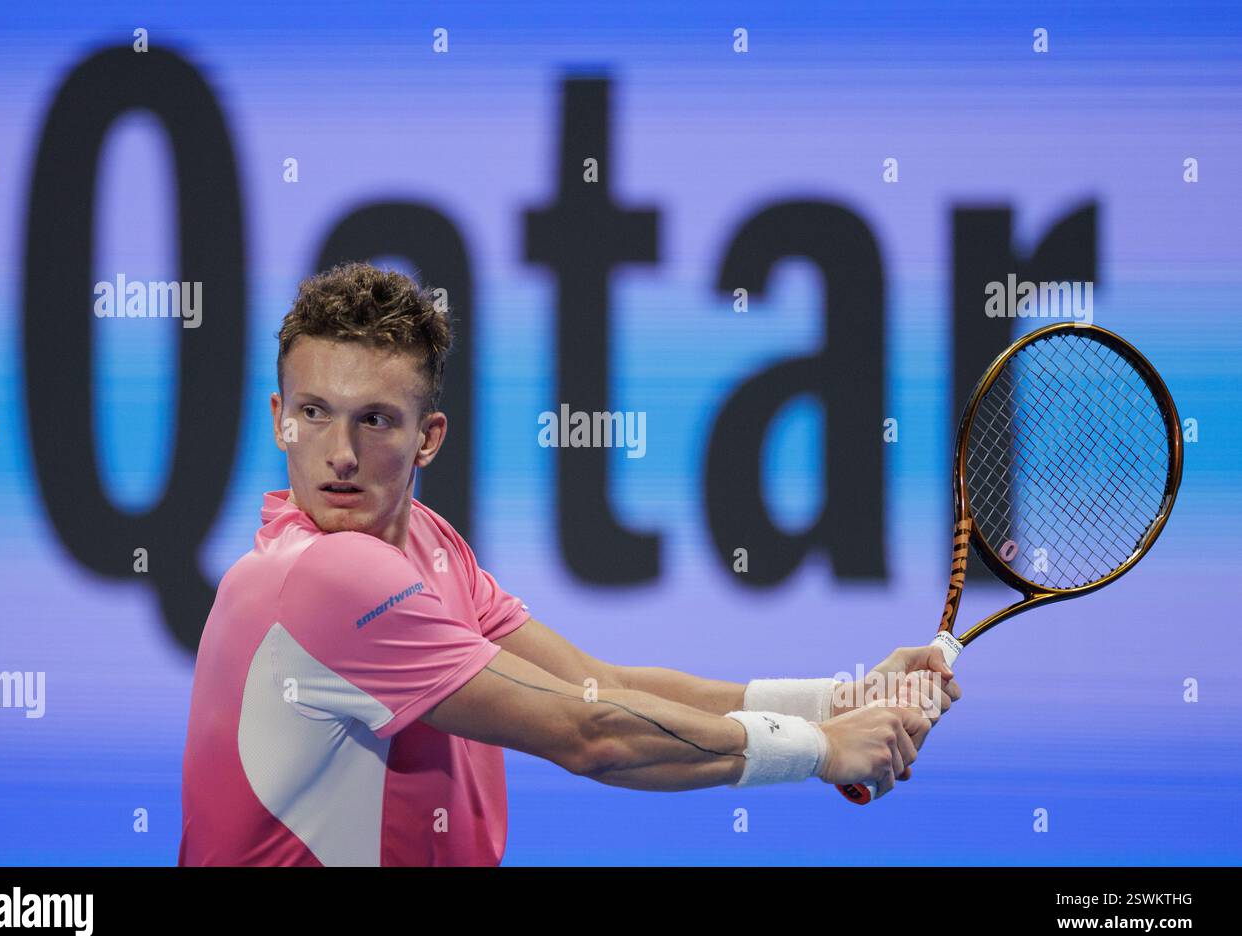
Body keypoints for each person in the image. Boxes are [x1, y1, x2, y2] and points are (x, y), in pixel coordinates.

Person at [178, 262, 960, 866]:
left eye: (375, 419)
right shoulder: (325, 578)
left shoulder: (426, 542)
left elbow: (595, 680)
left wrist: (836, 700)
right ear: (280, 419)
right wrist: (821, 750)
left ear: (429, 437)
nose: (339, 455)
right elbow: (593, 733)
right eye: (314, 413)